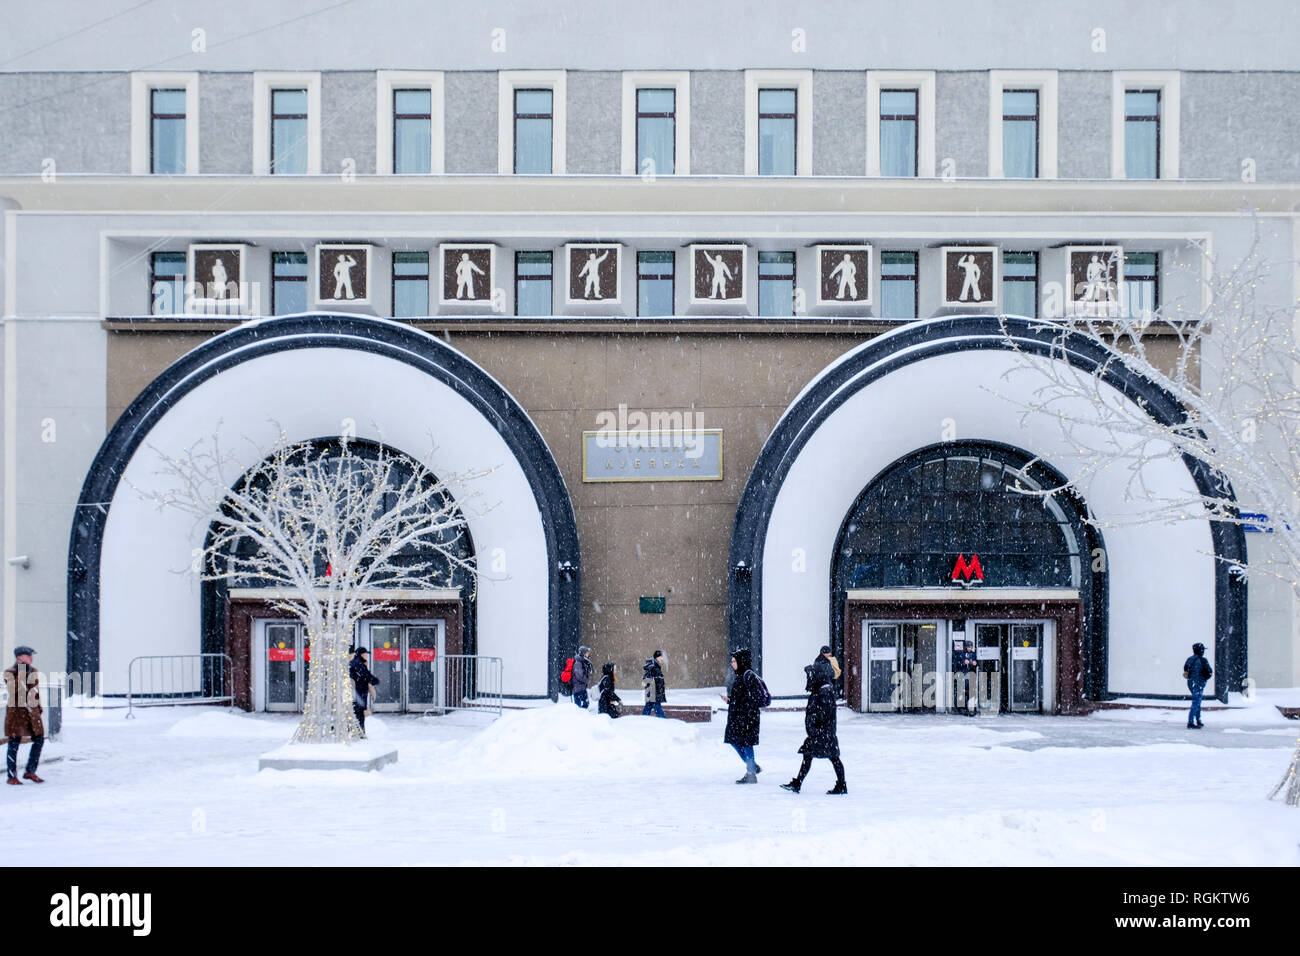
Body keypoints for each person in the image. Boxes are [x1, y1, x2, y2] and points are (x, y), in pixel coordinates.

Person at [782, 647, 847, 794]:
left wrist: (813, 720)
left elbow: (823, 713)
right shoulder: (823, 689)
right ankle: (799, 783)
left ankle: (841, 785)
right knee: (820, 756)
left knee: (830, 758)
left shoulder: (824, 692)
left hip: (822, 732)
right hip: (823, 732)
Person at [722, 648, 763, 784]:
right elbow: (742, 697)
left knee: (746, 744)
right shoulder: (741, 676)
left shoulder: (748, 676)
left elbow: (752, 697)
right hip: (738, 717)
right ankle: (751, 766)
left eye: (734, 661)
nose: (732, 664)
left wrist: (743, 710)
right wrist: (731, 699)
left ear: (741, 662)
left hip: (745, 718)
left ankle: (751, 773)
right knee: (734, 741)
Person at [5, 646, 44, 785]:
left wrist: (38, 709)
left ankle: (30, 771)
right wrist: (22, 672)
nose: (32, 658)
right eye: (28, 656)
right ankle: (11, 776)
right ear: (20, 658)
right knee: (14, 743)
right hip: (16, 713)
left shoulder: (33, 671)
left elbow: (35, 691)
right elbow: (15, 690)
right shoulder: (10, 672)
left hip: (32, 713)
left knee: (39, 740)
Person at [349, 646, 379, 736]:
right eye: (365, 654)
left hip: (358, 692)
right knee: (359, 714)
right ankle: (360, 733)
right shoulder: (358, 664)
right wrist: (374, 680)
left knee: (357, 713)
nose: (366, 655)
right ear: (361, 654)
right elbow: (365, 676)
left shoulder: (356, 662)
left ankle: (358, 732)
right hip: (358, 693)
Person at [1183, 642, 1213, 729]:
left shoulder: (1189, 659)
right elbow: (1209, 672)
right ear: (1201, 651)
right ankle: (1191, 721)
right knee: (1196, 702)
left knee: (1197, 701)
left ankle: (1198, 720)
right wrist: (1204, 679)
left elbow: (1185, 670)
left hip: (1190, 683)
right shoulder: (1203, 660)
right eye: (1203, 650)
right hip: (1199, 683)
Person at [642, 650, 668, 718]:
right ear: (656, 657)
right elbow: (646, 680)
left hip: (653, 693)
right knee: (658, 709)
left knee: (648, 708)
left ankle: (642, 721)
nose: (662, 658)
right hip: (653, 693)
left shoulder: (655, 666)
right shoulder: (653, 667)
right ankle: (665, 722)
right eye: (661, 657)